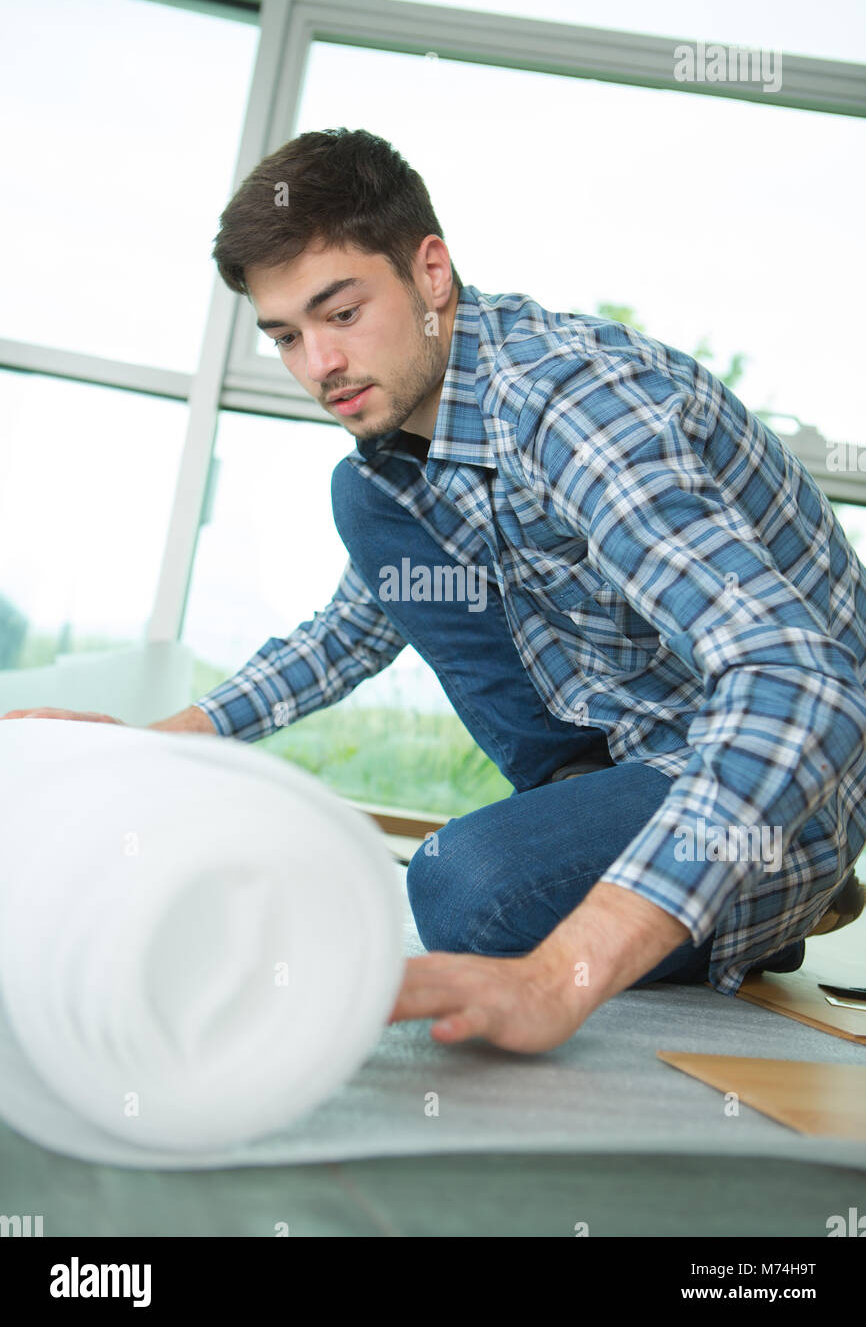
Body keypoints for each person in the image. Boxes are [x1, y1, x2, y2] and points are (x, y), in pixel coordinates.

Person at [6, 128, 865, 1055]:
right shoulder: (406, 451)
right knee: (368, 498)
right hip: (630, 746)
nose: (318, 366)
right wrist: (158, 748)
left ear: (431, 272)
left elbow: (800, 684)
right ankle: (605, 830)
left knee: (463, 889)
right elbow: (358, 627)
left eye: (341, 314)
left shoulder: (568, 405)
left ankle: (778, 895)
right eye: (287, 336)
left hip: (783, 772)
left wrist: (558, 971)